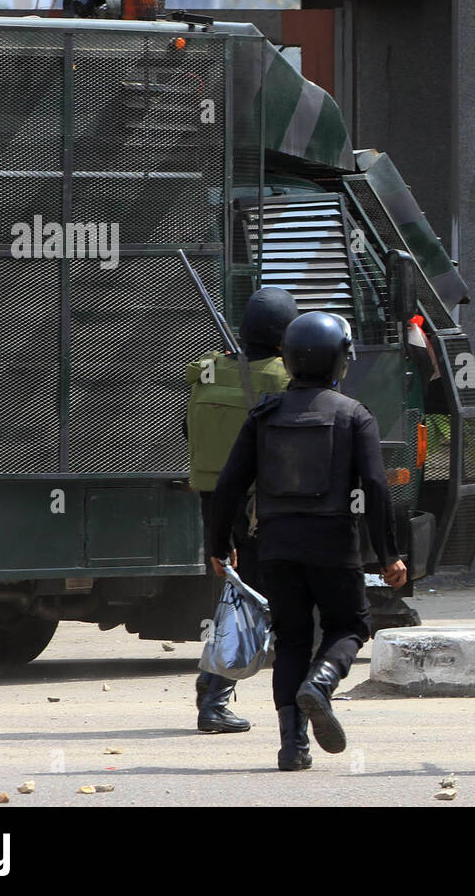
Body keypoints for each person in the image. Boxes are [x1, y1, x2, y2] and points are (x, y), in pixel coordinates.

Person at [208, 311, 407, 771]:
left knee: (293, 639)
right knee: (350, 626)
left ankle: (292, 747)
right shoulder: (354, 415)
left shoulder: (265, 414)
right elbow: (376, 487)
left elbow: (229, 486)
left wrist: (220, 545)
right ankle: (320, 684)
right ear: (340, 360)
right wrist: (389, 555)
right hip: (333, 544)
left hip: (276, 543)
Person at [186, 286, 298, 734]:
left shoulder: (207, 370)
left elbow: (188, 428)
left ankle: (210, 688)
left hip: (213, 500)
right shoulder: (281, 378)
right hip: (255, 506)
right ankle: (213, 700)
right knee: (247, 601)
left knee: (236, 594)